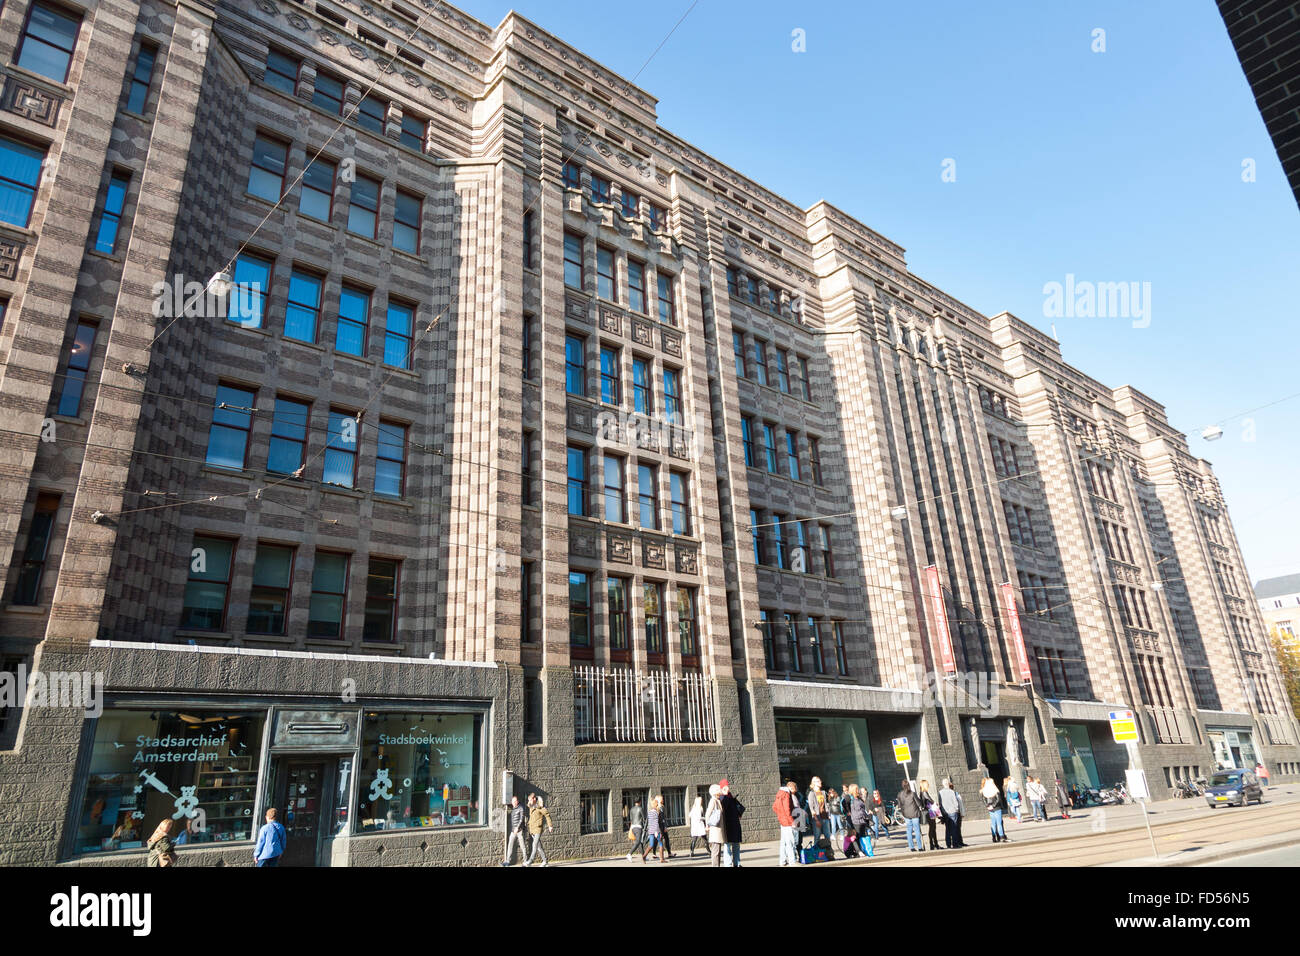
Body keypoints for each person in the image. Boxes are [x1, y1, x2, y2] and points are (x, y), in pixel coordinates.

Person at [773, 779, 799, 867]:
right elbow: (787, 810)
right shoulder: (786, 795)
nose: (794, 792)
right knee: (790, 842)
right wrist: (792, 821)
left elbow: (774, 807)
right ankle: (792, 862)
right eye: (794, 790)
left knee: (783, 842)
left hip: (783, 821)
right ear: (791, 788)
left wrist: (780, 816)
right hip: (787, 822)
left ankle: (782, 861)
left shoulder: (780, 793)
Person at [719, 779, 745, 867]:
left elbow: (737, 809)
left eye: (728, 786)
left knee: (736, 845)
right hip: (727, 826)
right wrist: (725, 794)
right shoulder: (722, 798)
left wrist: (739, 813)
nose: (728, 788)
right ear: (722, 788)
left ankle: (737, 863)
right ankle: (728, 864)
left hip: (735, 824)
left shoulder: (731, 797)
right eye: (726, 786)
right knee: (727, 846)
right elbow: (723, 809)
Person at [525, 794, 554, 866]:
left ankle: (530, 861)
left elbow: (547, 815)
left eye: (530, 800)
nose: (529, 801)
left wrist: (550, 826)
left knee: (534, 845)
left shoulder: (540, 807)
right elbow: (529, 806)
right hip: (532, 829)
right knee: (539, 847)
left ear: (534, 799)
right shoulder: (531, 806)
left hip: (538, 829)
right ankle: (545, 861)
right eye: (529, 800)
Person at [898, 778, 924, 852]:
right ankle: (919, 847)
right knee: (917, 830)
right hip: (914, 813)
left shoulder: (900, 794)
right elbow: (918, 803)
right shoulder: (912, 793)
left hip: (906, 814)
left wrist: (903, 811)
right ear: (908, 785)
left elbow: (899, 805)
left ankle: (911, 847)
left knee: (909, 831)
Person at [938, 778, 966, 848]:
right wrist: (956, 810)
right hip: (953, 812)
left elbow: (940, 804)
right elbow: (955, 802)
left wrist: (942, 813)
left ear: (943, 784)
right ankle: (955, 844)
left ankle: (948, 844)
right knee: (954, 828)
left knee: (947, 828)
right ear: (948, 784)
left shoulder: (940, 792)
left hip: (945, 813)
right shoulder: (951, 792)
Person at [806, 776, 830, 848]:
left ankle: (829, 852)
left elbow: (825, 805)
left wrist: (828, 815)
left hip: (825, 817)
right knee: (817, 837)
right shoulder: (811, 793)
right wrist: (816, 820)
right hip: (817, 818)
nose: (820, 782)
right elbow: (811, 808)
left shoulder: (823, 792)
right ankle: (817, 854)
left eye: (820, 781)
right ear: (814, 783)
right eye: (818, 781)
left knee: (827, 836)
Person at [982, 777, 1008, 843]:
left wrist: (988, 806)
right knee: (999, 822)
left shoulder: (984, 790)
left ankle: (994, 837)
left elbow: (984, 800)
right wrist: (994, 806)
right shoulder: (995, 790)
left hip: (990, 809)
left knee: (993, 823)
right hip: (997, 808)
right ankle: (1001, 836)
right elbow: (998, 799)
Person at [705, 784, 726, 867]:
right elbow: (707, 814)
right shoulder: (713, 801)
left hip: (718, 830)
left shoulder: (717, 800)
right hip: (715, 830)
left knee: (717, 851)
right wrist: (707, 825)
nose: (720, 791)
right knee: (715, 852)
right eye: (718, 790)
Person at [643, 796, 667, 863]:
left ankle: (644, 856)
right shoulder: (656, 812)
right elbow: (656, 823)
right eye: (657, 803)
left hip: (651, 830)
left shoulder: (649, 812)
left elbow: (650, 822)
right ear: (655, 804)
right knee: (661, 844)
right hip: (656, 830)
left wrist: (651, 831)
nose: (658, 804)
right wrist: (656, 831)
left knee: (651, 845)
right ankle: (662, 859)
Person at [919, 779, 941, 850]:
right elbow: (931, 800)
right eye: (927, 784)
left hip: (928, 811)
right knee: (932, 828)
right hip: (929, 812)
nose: (928, 785)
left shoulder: (922, 792)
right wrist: (935, 803)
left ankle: (935, 844)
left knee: (933, 828)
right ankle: (933, 844)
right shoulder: (924, 792)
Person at [625, 795, 647, 862]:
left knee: (639, 842)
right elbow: (644, 819)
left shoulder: (631, 809)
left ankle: (644, 857)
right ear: (640, 801)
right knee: (638, 842)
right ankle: (629, 854)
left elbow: (631, 819)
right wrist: (645, 827)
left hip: (633, 827)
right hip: (638, 827)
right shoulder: (640, 808)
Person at [849, 784, 870, 850]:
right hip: (856, 820)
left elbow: (862, 807)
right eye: (856, 789)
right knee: (857, 836)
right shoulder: (851, 799)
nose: (858, 790)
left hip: (862, 819)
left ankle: (863, 850)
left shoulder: (858, 798)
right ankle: (859, 851)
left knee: (862, 836)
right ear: (853, 790)